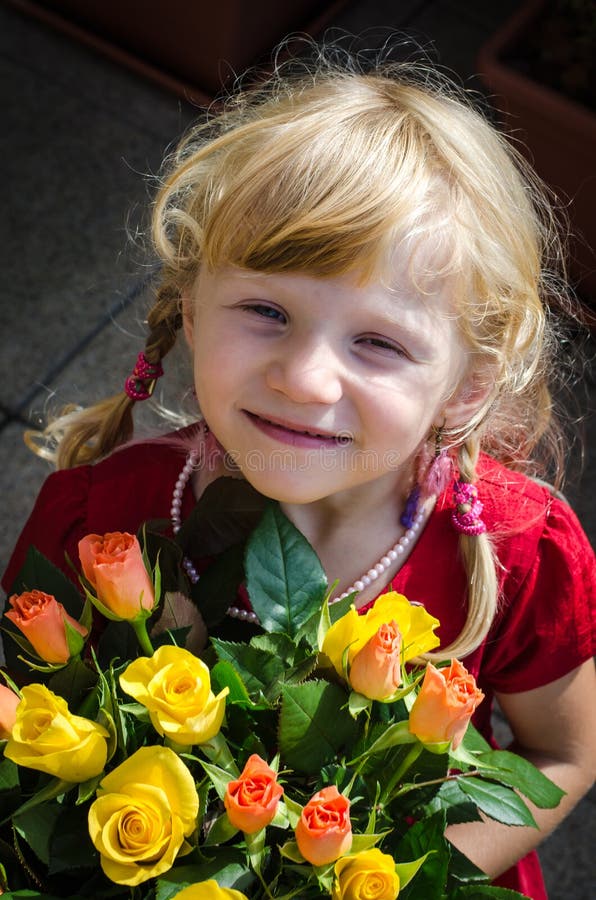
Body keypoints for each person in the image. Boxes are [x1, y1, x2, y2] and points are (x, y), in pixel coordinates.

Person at [2, 47, 595, 898]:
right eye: (266, 311)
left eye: (379, 341)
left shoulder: (517, 554)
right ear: (192, 312)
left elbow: (563, 753)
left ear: (465, 383)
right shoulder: (102, 517)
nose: (304, 379)